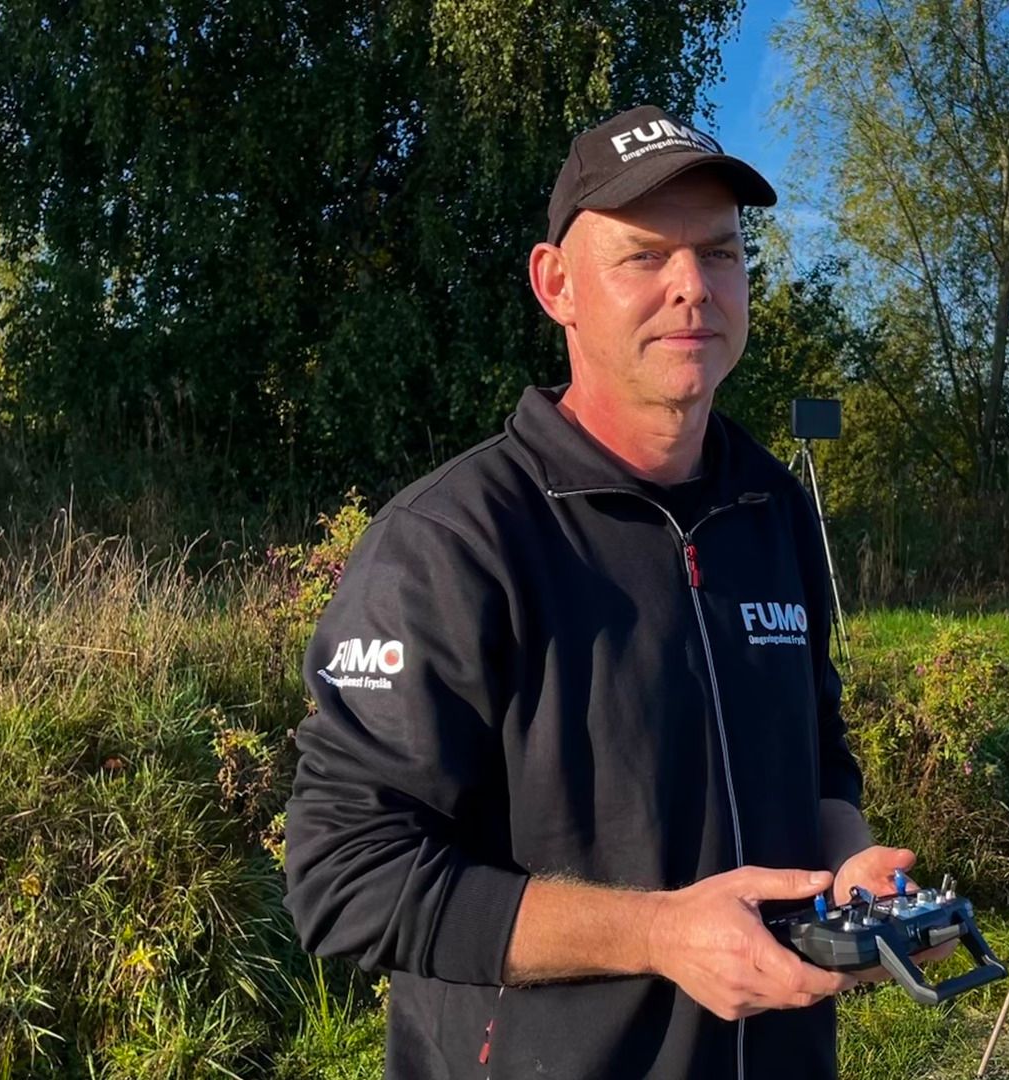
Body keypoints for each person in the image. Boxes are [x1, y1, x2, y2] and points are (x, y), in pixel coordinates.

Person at [283, 105, 924, 1080]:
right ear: (558, 286)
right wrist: (659, 934)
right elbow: (344, 874)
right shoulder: (453, 541)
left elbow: (820, 755)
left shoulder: (775, 508)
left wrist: (848, 872)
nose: (692, 288)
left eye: (718, 253)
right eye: (643, 257)